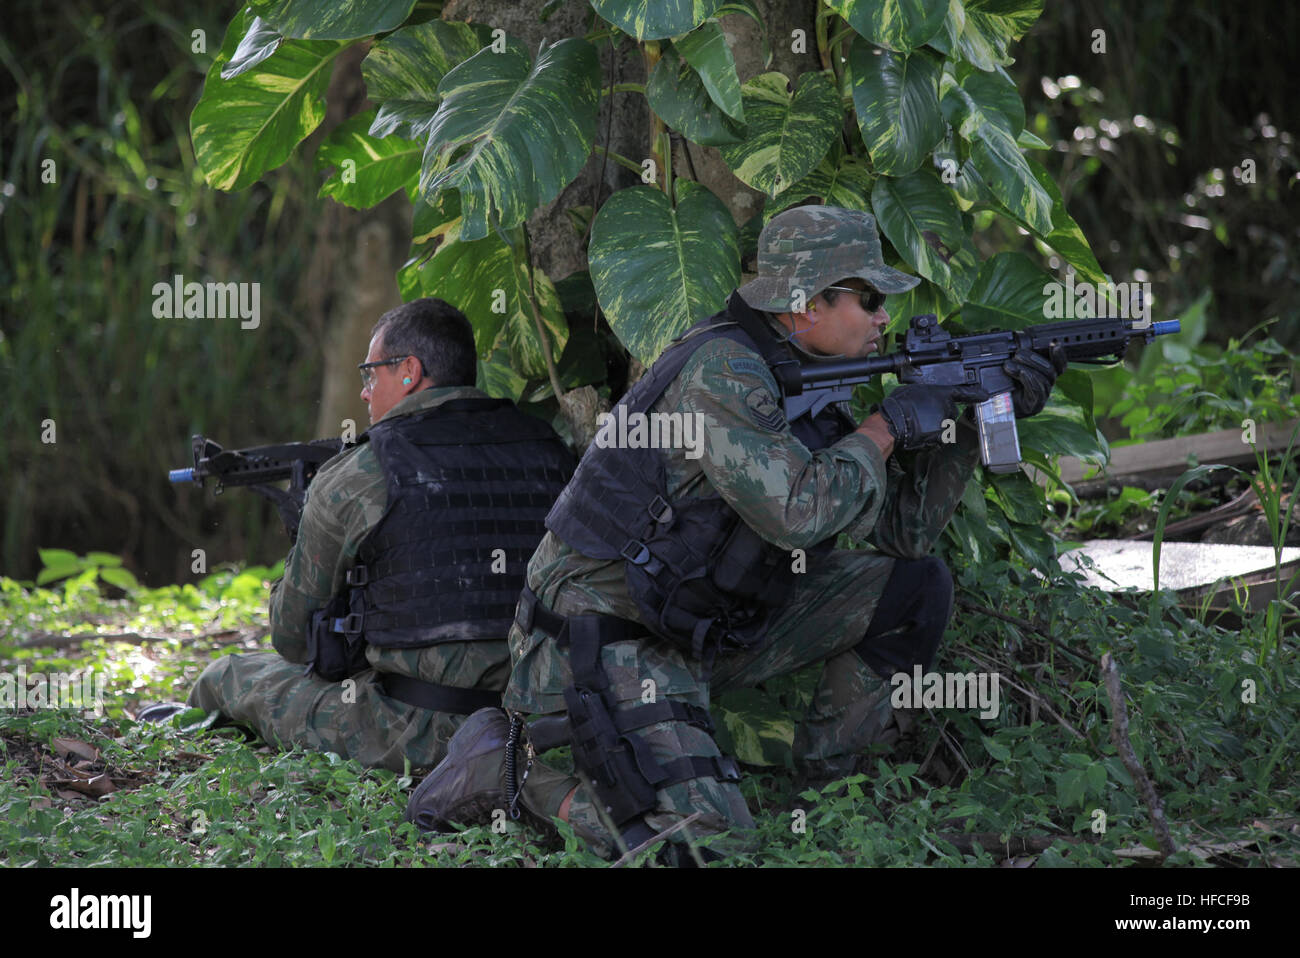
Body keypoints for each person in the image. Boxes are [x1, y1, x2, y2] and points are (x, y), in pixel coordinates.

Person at [405, 206, 1065, 861]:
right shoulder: (722, 369)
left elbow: (904, 534)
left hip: (699, 623)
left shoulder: (804, 381)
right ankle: (512, 774)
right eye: (867, 298)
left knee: (913, 590)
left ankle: (821, 799)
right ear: (808, 305)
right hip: (602, 636)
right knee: (702, 849)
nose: (883, 317)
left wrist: (967, 417)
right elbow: (795, 512)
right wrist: (884, 429)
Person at [172, 298, 575, 772]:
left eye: (371, 375)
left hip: (418, 731)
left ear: (409, 371)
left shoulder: (362, 470)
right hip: (537, 725)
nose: (364, 393)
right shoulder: (552, 449)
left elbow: (293, 640)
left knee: (226, 675)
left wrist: (308, 526)